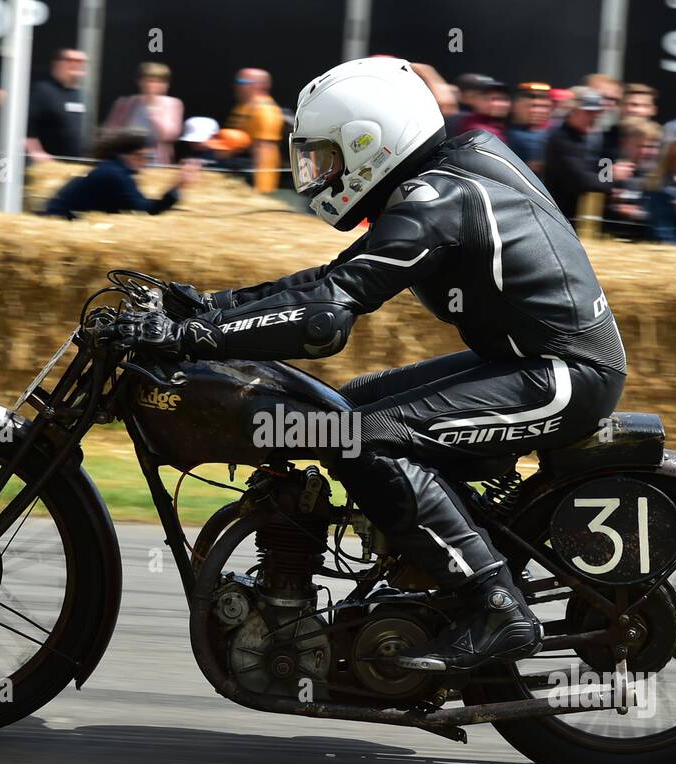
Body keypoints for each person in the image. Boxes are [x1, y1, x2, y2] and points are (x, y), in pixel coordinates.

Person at [153, 57, 627, 672]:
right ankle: (424, 572)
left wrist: (190, 340)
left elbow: (325, 318)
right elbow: (327, 282)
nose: (315, 174)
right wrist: (209, 308)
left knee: (360, 438)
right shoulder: (443, 177)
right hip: (530, 361)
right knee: (347, 408)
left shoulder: (437, 199)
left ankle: (495, 606)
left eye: (324, 157)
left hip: (565, 375)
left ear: (368, 145)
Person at [42, 127, 199, 219]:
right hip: (60, 222)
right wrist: (178, 186)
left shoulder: (114, 169)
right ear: (127, 154)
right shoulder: (115, 175)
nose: (145, 164)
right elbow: (146, 210)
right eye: (143, 157)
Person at [543, 88, 631, 223]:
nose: (594, 117)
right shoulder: (560, 139)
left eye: (597, 112)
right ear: (572, 111)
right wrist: (613, 176)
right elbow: (581, 181)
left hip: (589, 217)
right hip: (561, 218)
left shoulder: (596, 138)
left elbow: (604, 171)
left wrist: (609, 178)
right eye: (588, 112)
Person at [104, 61, 181, 165]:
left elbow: (169, 135)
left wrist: (153, 108)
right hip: (127, 162)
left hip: (156, 163)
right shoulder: (124, 103)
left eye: (158, 82)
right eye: (149, 81)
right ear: (140, 82)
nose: (152, 85)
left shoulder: (172, 104)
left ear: (166, 85)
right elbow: (109, 133)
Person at [224, 67, 282, 192]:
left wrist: (261, 188)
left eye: (241, 82)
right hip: (235, 179)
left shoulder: (265, 111)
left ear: (258, 85)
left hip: (252, 184)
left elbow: (265, 152)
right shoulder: (243, 106)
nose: (236, 85)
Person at [505, 81, 552, 174]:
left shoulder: (551, 133)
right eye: (532, 106)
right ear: (515, 106)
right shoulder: (505, 134)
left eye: (544, 106)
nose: (538, 111)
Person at [455, 75, 510, 141]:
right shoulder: (477, 130)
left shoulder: (505, 125)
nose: (499, 104)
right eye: (488, 99)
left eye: (504, 99)